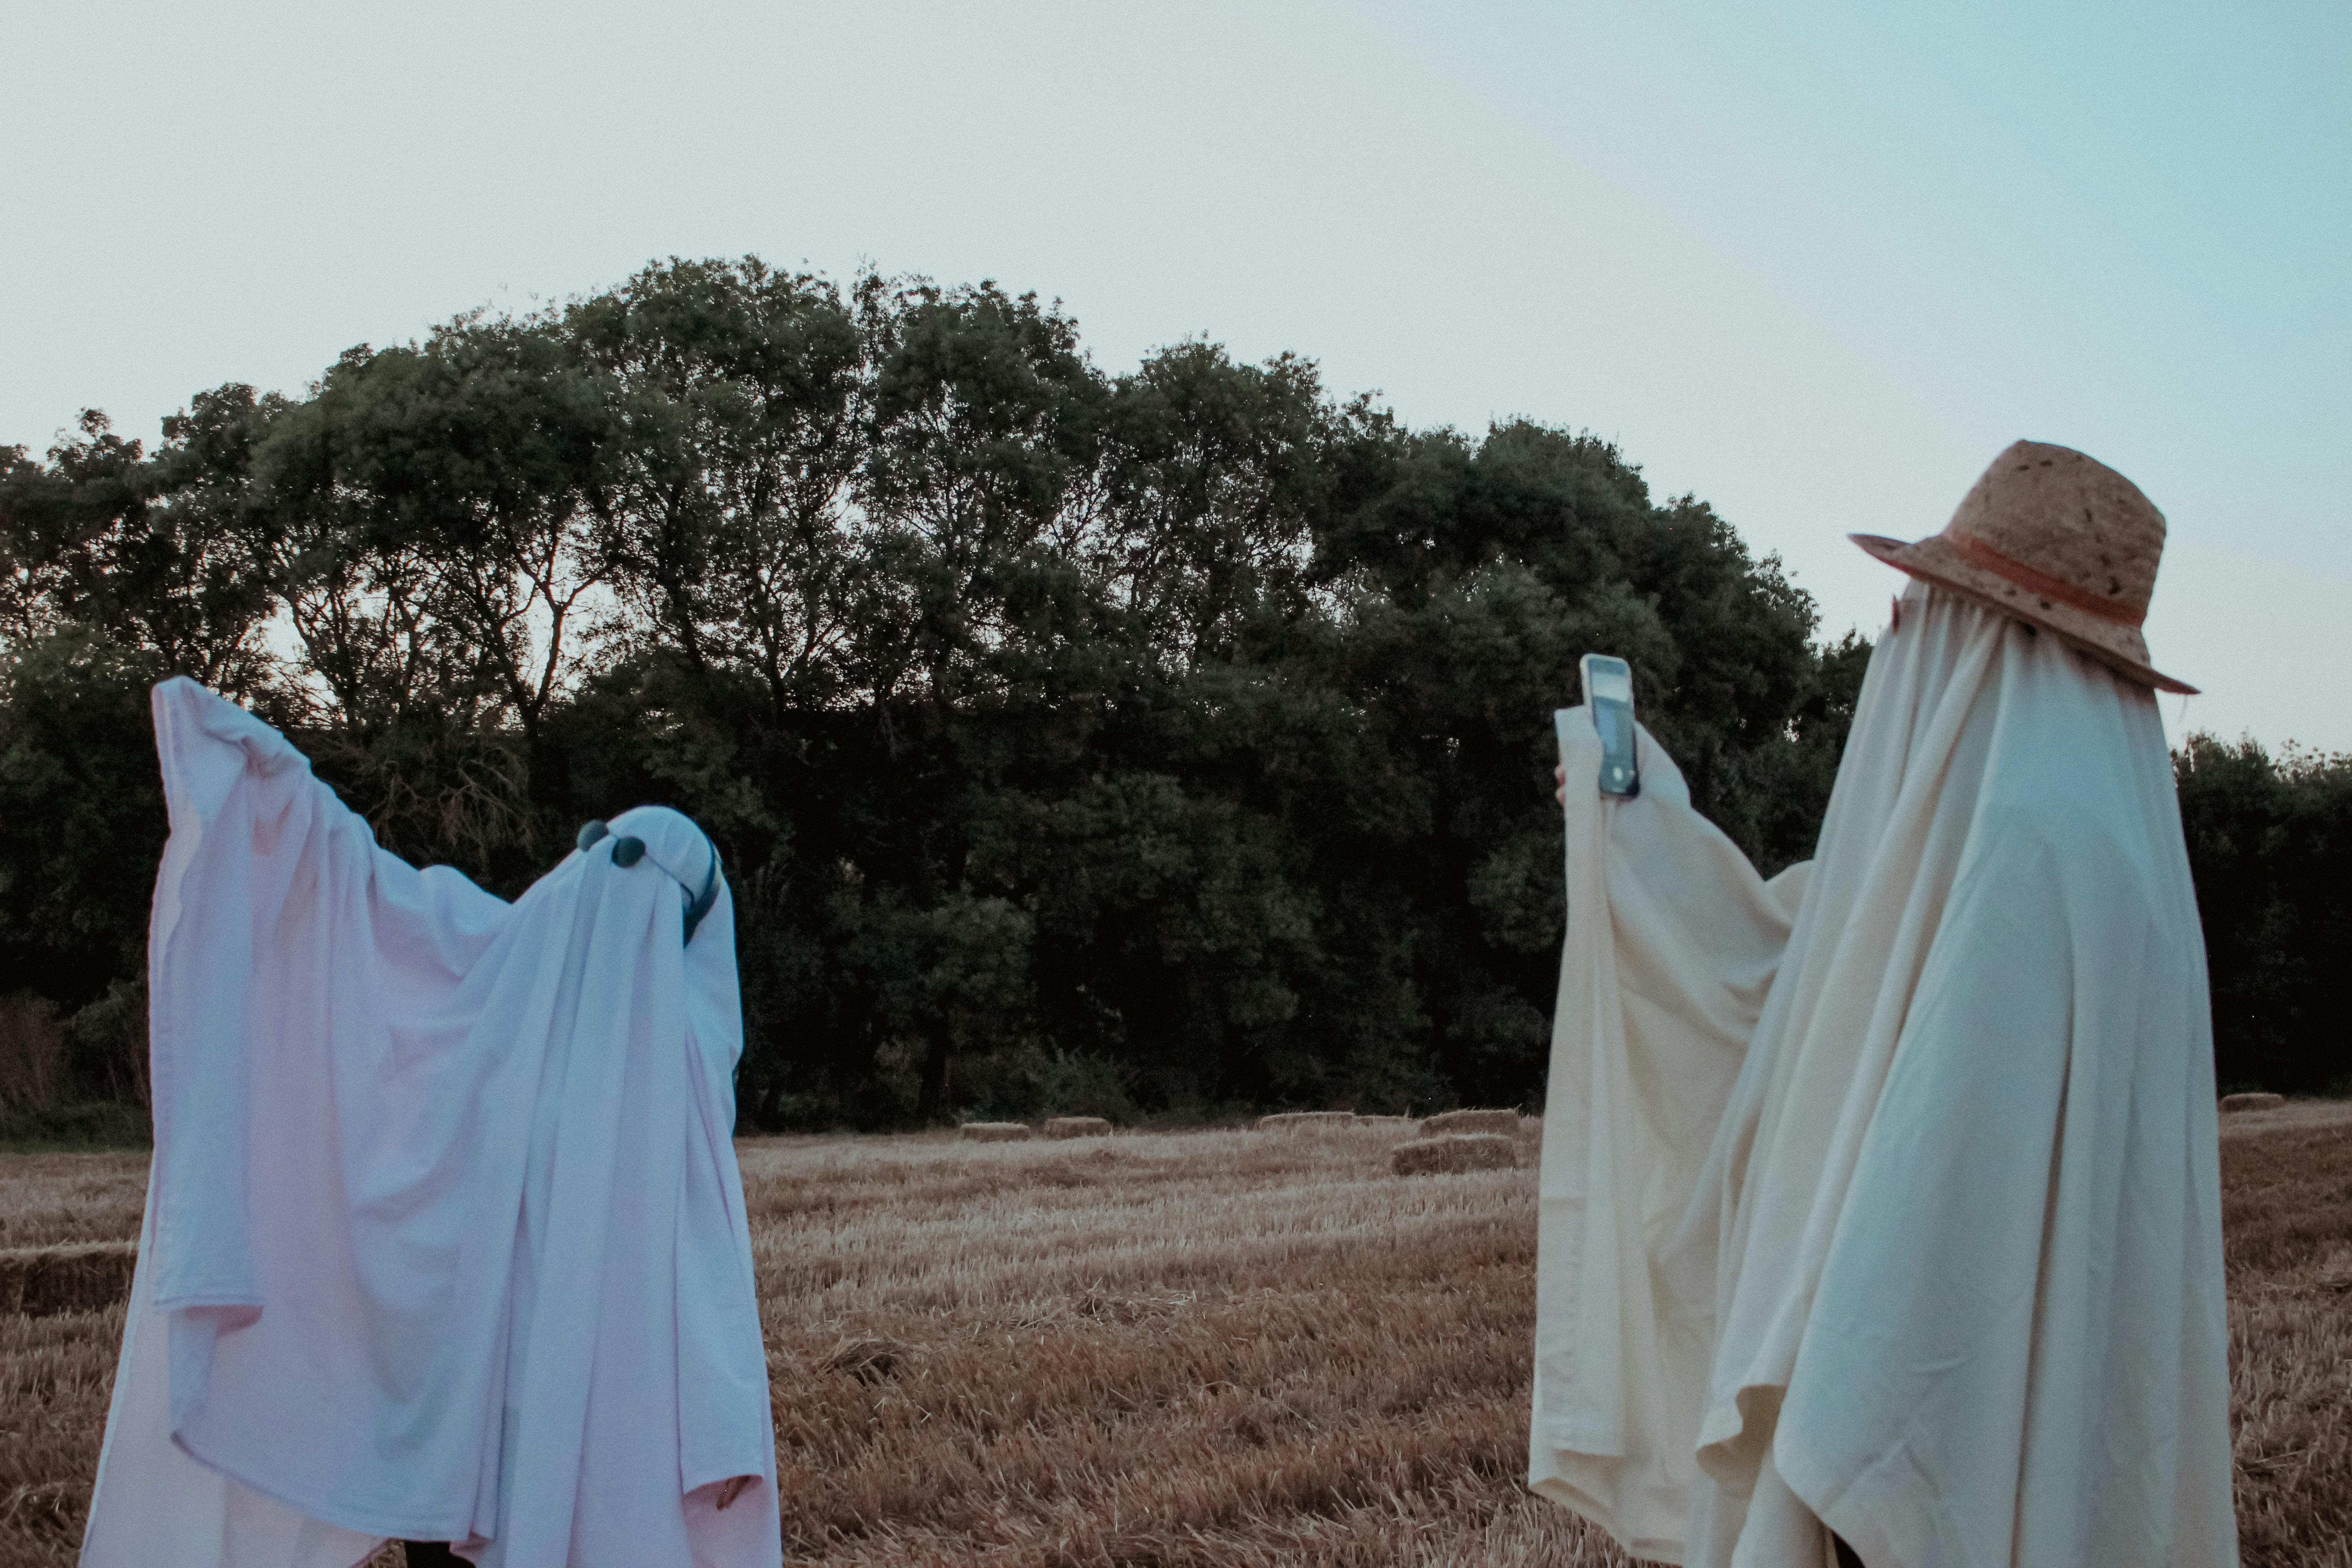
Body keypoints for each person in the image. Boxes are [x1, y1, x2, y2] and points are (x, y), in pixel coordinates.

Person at [1529, 442, 2235, 1567]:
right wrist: (1634, 829)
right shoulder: (2104, 848)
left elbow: (1921, 1245)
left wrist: (1842, 1440)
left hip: (1909, 1457)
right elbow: (1807, 980)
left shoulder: (2026, 854)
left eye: (1926, 602)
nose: (1898, 626)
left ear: (1988, 633)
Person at [80, 679, 781, 1568]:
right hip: (550, 1408)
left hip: (471, 1400)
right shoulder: (642, 1041)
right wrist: (723, 1426)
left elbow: (380, 918)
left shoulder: (516, 998)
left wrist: (281, 800)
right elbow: (701, 1258)